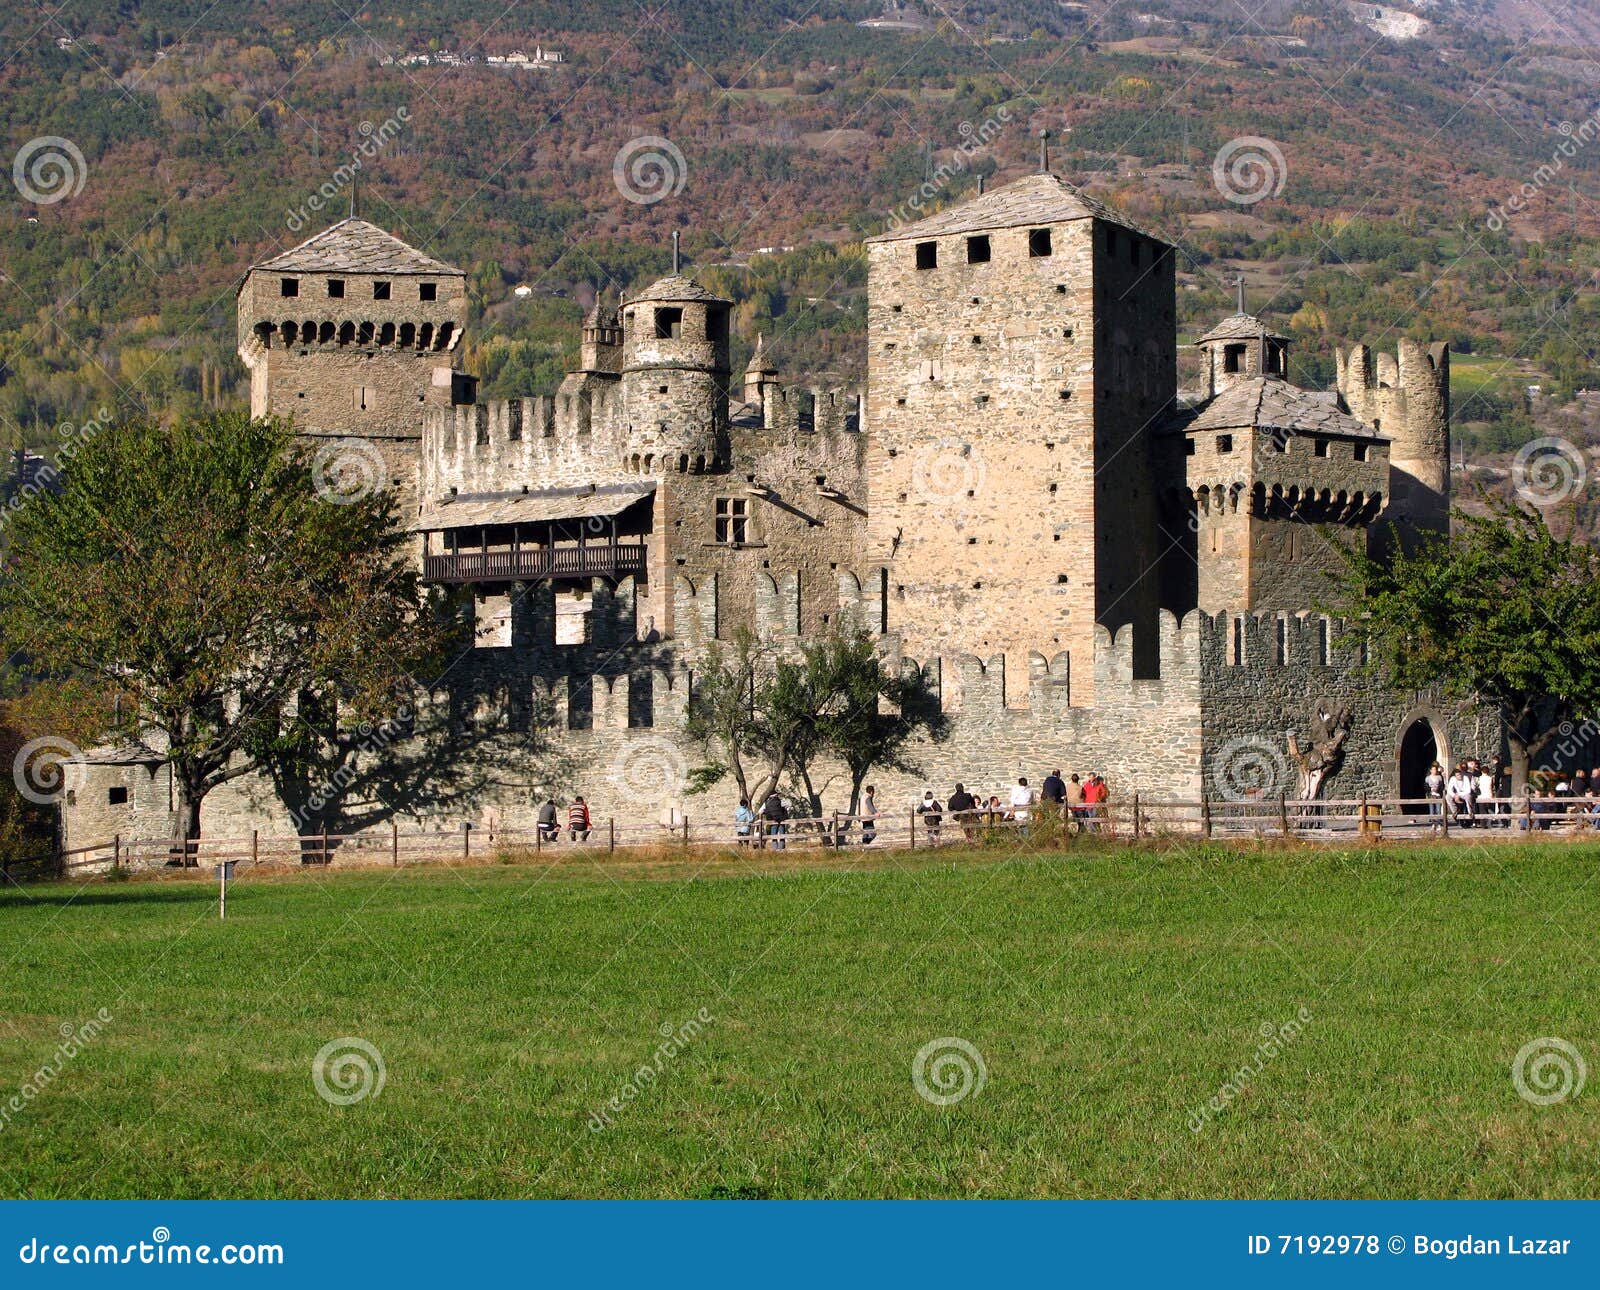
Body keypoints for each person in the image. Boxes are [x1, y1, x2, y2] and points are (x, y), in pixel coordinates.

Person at [1424, 763, 1445, 829]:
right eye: (1433, 769)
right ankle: (1433, 824)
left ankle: (1438, 823)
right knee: (1432, 810)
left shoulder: (1439, 777)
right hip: (1431, 795)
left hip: (1438, 795)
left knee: (1438, 810)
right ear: (1430, 770)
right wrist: (1430, 789)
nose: (1434, 771)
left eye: (1435, 769)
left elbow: (1442, 786)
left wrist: (1438, 789)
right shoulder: (1427, 778)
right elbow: (1425, 787)